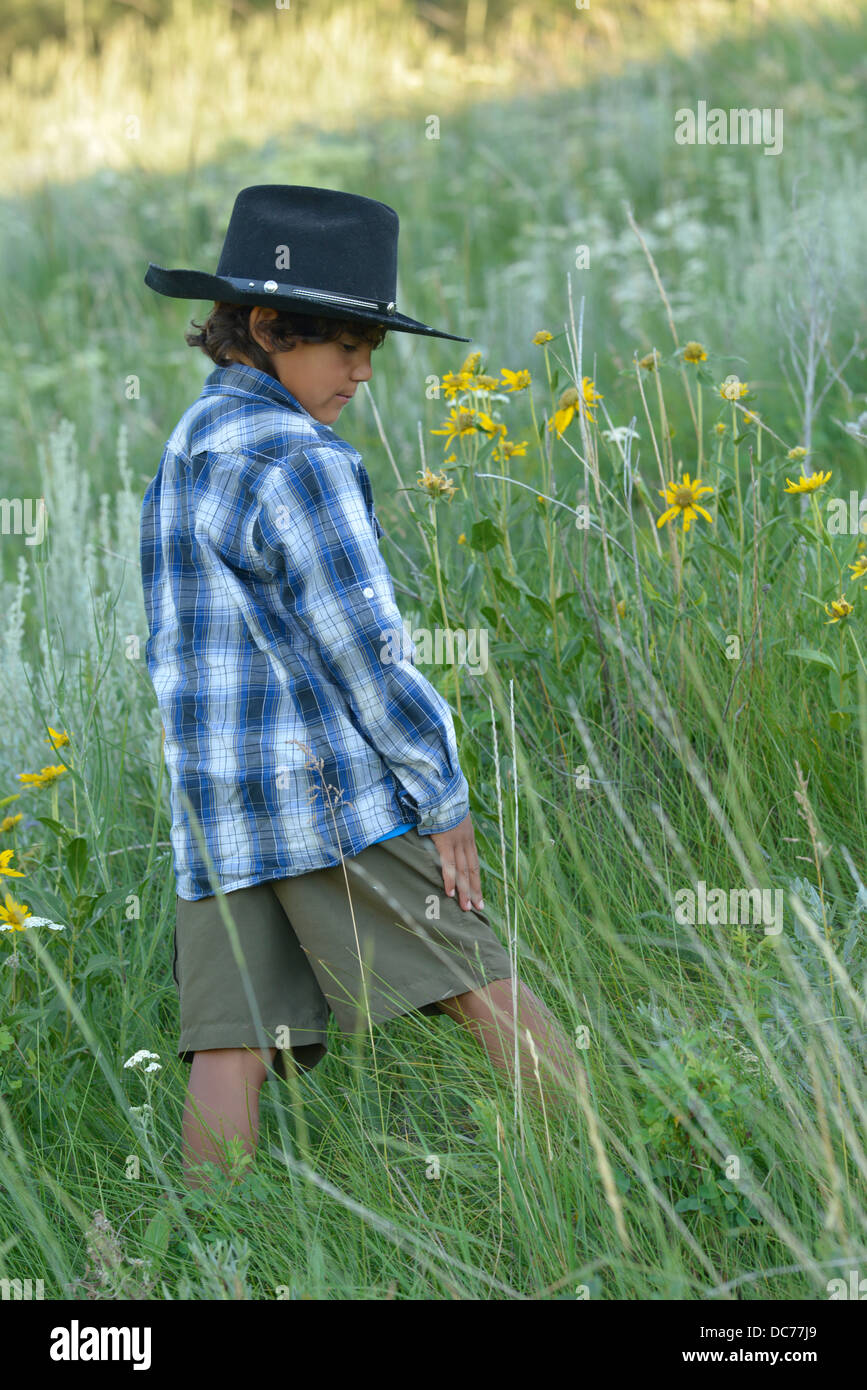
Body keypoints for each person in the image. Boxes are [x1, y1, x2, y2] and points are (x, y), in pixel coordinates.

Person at [141, 185, 579, 1187]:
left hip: (216, 805)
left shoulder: (189, 444)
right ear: (262, 325)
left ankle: (209, 1253)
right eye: (342, 343)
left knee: (231, 1039)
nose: (362, 370)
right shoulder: (302, 457)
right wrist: (442, 793)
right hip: (329, 792)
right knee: (476, 970)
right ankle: (615, 1169)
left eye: (371, 346)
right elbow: (364, 649)